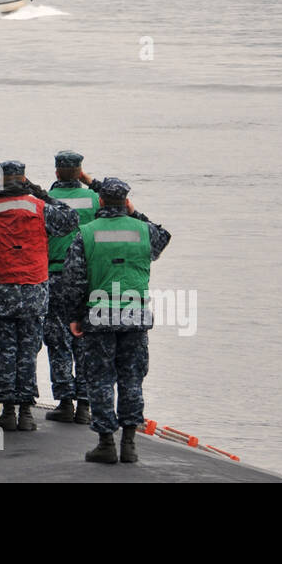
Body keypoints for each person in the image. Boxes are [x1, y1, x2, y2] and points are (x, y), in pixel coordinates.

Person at [61, 177, 171, 464]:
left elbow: (73, 281)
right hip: (135, 315)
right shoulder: (144, 231)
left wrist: (74, 317)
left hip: (98, 316)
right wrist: (135, 214)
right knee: (131, 379)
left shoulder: (86, 233)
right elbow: (164, 236)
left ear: (100, 201)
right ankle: (130, 444)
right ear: (126, 201)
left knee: (100, 379)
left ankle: (106, 442)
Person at [0, 160, 78, 432]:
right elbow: (71, 219)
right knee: (28, 352)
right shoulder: (40, 208)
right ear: (24, 179)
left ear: (1, 180)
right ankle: (27, 411)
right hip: (33, 292)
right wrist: (42, 193)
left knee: (3, 353)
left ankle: (8, 410)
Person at [43, 150, 101, 424]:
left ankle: (65, 400)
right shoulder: (94, 198)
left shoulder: (44, 200)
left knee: (57, 340)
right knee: (85, 339)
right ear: (80, 172)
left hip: (54, 275)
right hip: (87, 279)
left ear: (57, 172)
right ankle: (85, 405)